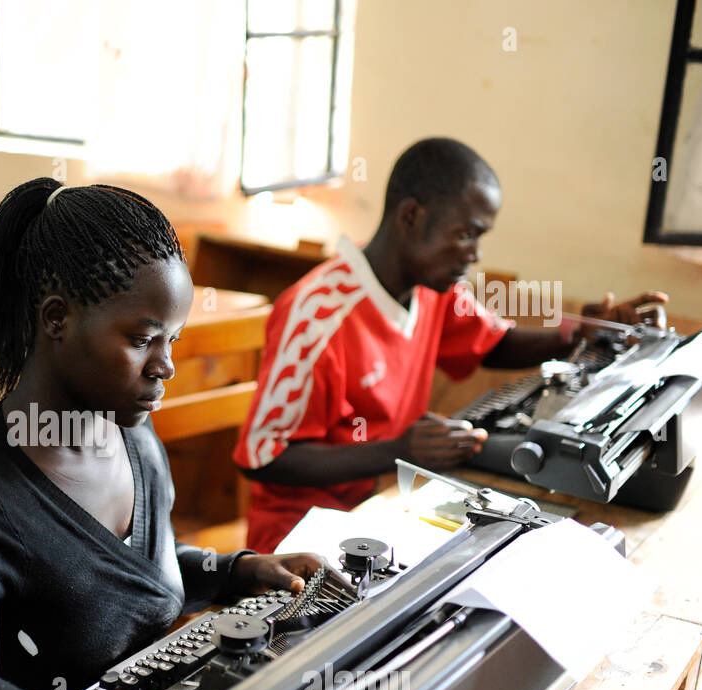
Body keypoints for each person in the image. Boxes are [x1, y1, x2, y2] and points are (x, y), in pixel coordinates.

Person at [0, 177, 320, 690]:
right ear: (57, 319)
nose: (165, 366)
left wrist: (238, 572)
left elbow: (133, 571)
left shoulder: (129, 431)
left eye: (172, 341)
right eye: (142, 339)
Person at [234, 137, 668, 553]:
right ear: (411, 218)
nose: (475, 254)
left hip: (387, 505)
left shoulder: (432, 289)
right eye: (466, 235)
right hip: (301, 538)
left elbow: (493, 344)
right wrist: (398, 451)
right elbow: (262, 458)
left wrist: (580, 333)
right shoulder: (316, 316)